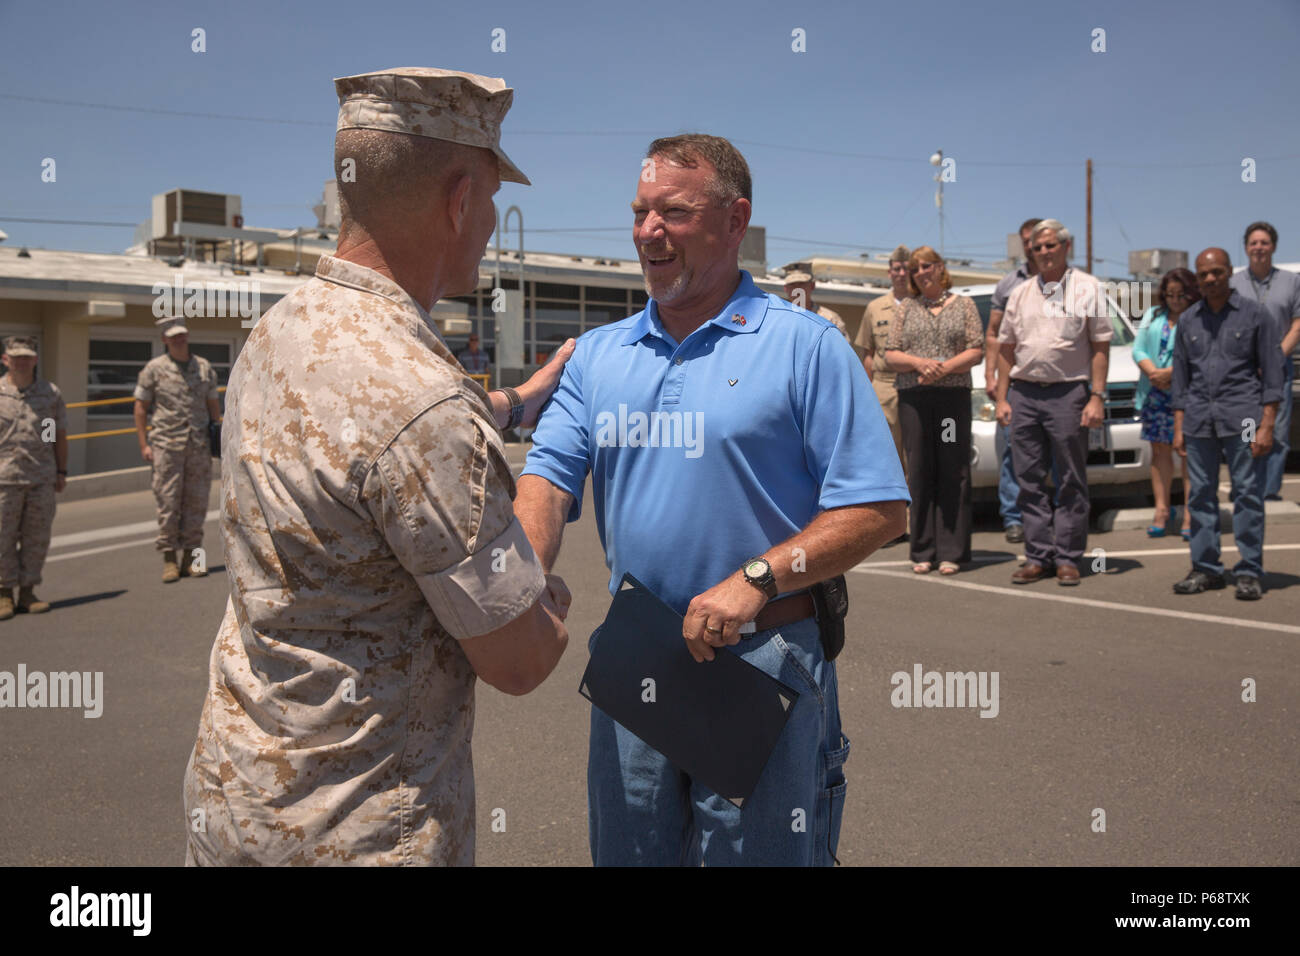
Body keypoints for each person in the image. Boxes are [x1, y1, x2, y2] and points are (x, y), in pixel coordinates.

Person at [183, 67, 575, 867]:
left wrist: (514, 403)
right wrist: (550, 548)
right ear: (461, 199)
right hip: (362, 831)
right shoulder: (425, 408)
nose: (493, 223)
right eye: (493, 200)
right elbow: (520, 656)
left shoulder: (280, 331)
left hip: (239, 800)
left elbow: (363, 439)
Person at [515, 133, 908, 867]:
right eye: (639, 212)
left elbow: (878, 510)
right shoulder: (598, 356)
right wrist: (526, 575)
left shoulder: (806, 348)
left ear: (735, 221)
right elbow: (547, 479)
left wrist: (758, 579)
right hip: (639, 657)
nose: (649, 231)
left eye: (675, 212)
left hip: (764, 659)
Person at [995, 219, 1111, 586]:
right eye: (1037, 247)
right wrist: (1001, 397)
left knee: (1071, 480)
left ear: (1066, 246)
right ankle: (1038, 556)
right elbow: (1005, 349)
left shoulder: (1089, 288)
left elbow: (1100, 347)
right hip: (1025, 394)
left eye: (1050, 245)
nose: (1044, 252)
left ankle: (1068, 558)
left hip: (1069, 393)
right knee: (1028, 479)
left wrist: (1097, 396)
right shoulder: (1020, 293)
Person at [1171, 248, 1283, 600]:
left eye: (1216, 272)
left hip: (1245, 418)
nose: (1209, 279)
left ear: (1229, 273)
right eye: (1203, 274)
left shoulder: (1255, 315)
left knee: (1247, 492)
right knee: (1201, 495)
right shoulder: (1189, 320)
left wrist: (1267, 425)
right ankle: (1206, 568)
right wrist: (1179, 426)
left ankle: (1249, 570)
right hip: (1199, 421)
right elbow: (1180, 379)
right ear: (1197, 277)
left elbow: (1273, 374)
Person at [884, 246, 983, 575]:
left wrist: (944, 368)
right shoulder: (907, 308)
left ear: (940, 268)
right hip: (915, 399)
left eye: (927, 265)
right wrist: (920, 363)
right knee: (921, 469)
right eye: (915, 268)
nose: (921, 272)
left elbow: (976, 349)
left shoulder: (965, 305)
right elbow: (891, 355)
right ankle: (923, 550)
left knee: (952, 469)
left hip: (951, 400)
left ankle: (953, 551)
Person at [133, 320, 221, 583]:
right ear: (165, 340)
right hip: (166, 446)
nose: (179, 340)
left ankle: (194, 559)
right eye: (173, 338)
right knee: (168, 502)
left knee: (196, 504)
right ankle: (170, 559)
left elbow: (213, 407)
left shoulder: (204, 367)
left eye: (182, 336)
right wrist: (143, 445)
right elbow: (140, 408)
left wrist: (218, 439)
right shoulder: (154, 369)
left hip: (198, 446)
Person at [1229, 221, 1300, 501]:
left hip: (1279, 365)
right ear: (1246, 248)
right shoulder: (1234, 283)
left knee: (1277, 430)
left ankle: (1269, 492)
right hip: (1243, 369)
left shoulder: (1291, 281)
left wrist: (1274, 356)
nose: (1259, 248)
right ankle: (1244, 489)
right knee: (1246, 428)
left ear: (1273, 246)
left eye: (1264, 242)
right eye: (1254, 243)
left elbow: (1297, 324)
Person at [0, 336, 67, 619]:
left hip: (41, 477)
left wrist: (60, 470)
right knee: (2, 538)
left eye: (27, 356)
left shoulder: (49, 393)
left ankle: (28, 591)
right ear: (5, 359)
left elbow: (56, 435)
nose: (22, 361)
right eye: (16, 357)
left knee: (36, 538)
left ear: (35, 360)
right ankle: (4, 593)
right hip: (3, 479)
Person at [986, 218, 1043, 544]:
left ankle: (1051, 515)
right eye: (1026, 240)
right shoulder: (1008, 284)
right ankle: (1013, 517)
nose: (1031, 245)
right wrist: (990, 374)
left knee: (1057, 456)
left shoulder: (1067, 283)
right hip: (1015, 382)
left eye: (1036, 239)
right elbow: (993, 334)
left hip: (1057, 384)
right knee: (1011, 451)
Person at [1133, 268, 1199, 538]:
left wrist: (1171, 373)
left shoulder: (1198, 318)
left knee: (1187, 454)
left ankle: (1189, 512)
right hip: (1154, 393)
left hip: (1188, 394)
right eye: (1170, 294)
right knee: (1159, 453)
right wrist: (1153, 372)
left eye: (1181, 295)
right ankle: (1161, 509)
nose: (1175, 300)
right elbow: (1138, 348)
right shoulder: (1153, 315)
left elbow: (1200, 354)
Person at [855, 245, 911, 544]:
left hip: (916, 385)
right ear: (889, 272)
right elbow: (868, 353)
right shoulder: (875, 307)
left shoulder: (920, 303)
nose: (901, 273)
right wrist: (867, 392)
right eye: (896, 268)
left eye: (905, 268)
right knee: (889, 458)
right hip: (884, 387)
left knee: (915, 456)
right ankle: (893, 525)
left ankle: (917, 522)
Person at [783, 270, 850, 341]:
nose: (797, 288)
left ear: (812, 286)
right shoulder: (779, 318)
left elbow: (841, 349)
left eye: (801, 284)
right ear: (785, 288)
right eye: (792, 284)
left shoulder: (830, 319)